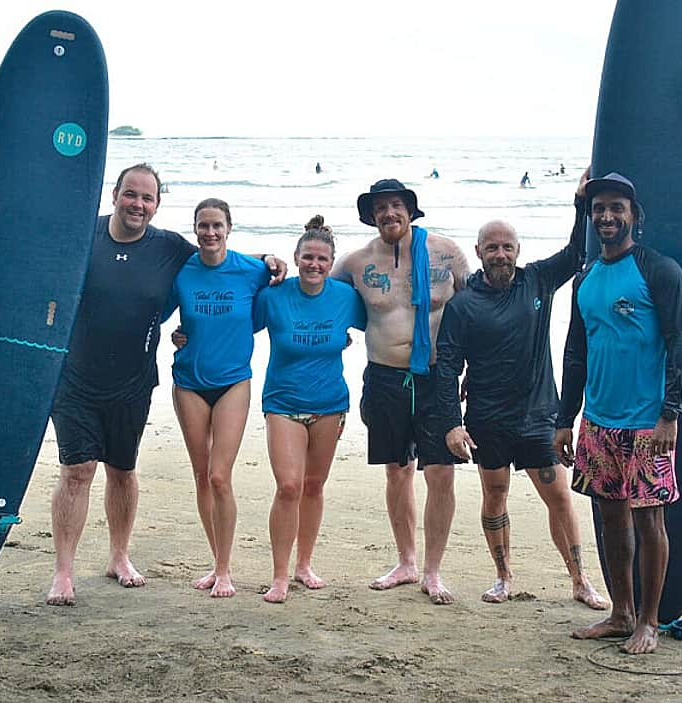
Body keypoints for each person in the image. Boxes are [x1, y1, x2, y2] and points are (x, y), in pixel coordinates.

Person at [0, 165, 285, 606]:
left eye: (148, 198)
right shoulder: (81, 235)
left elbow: (219, 263)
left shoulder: (169, 248)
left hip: (133, 381)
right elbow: (21, 254)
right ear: (114, 195)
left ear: (157, 204)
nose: (138, 204)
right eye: (131, 195)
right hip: (74, 377)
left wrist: (271, 260)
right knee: (77, 470)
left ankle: (119, 557)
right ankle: (63, 571)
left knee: (122, 471)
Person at [436, 169, 609, 610]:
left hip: (537, 417)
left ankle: (580, 579)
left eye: (506, 246)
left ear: (517, 251)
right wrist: (453, 426)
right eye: (491, 247)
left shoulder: (537, 281)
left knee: (558, 495)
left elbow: (575, 254)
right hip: (487, 420)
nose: (499, 253)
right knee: (494, 495)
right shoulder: (463, 305)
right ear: (478, 252)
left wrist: (581, 203)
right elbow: (447, 369)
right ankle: (503, 576)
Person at [554, 172, 682, 655]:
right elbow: (576, 352)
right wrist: (563, 418)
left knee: (649, 522)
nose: (607, 216)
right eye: (599, 210)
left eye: (617, 207)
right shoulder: (586, 278)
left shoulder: (659, 271)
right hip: (598, 423)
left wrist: (670, 414)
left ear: (634, 215)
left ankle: (649, 622)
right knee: (611, 520)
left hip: (646, 425)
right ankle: (620, 613)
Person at [332, 179, 469, 604]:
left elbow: (479, 306)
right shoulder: (355, 263)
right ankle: (406, 562)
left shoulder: (446, 253)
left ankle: (433, 570)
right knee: (398, 471)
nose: (388, 213)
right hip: (385, 378)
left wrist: (480, 370)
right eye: (380, 208)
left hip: (437, 380)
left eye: (396, 205)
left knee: (441, 472)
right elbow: (316, 294)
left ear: (410, 209)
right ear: (371, 216)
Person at [252, 215, 366, 603]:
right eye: (308, 258)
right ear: (296, 258)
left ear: (331, 263)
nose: (314, 265)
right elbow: (233, 318)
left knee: (314, 486)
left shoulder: (345, 297)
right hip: (283, 403)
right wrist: (185, 336)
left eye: (322, 259)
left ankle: (304, 565)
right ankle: (280, 576)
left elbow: (388, 321)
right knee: (288, 486)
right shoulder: (274, 296)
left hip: (330, 404)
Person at [165, 198, 273, 598]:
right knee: (200, 473)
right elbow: (155, 310)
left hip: (233, 382)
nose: (210, 233)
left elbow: (284, 286)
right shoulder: (183, 272)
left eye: (217, 226)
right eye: (203, 226)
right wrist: (174, 336)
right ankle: (216, 562)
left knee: (219, 475)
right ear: (195, 229)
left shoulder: (250, 269)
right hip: (189, 380)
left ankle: (225, 571)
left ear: (229, 228)